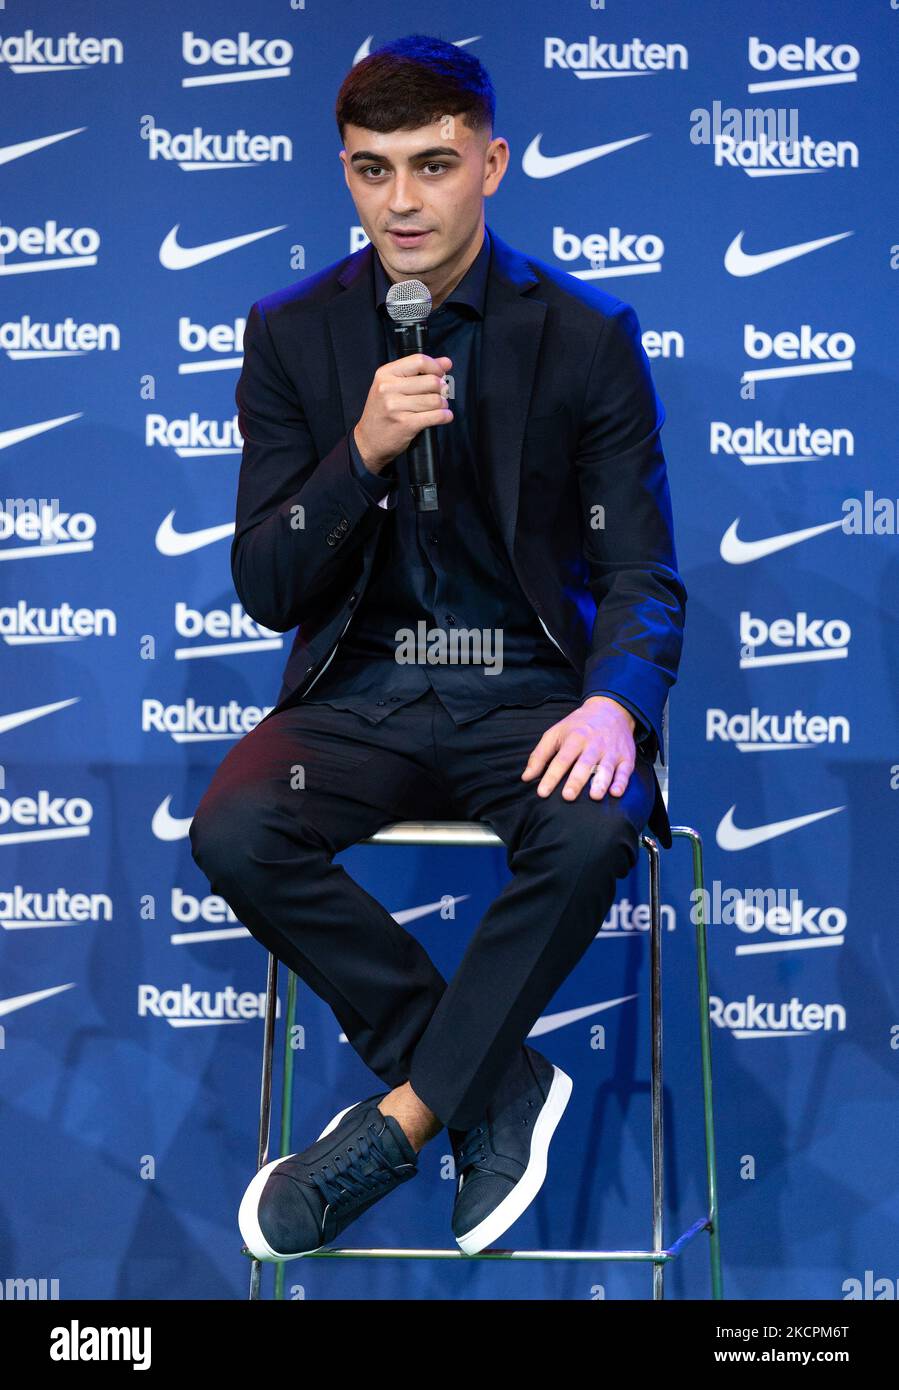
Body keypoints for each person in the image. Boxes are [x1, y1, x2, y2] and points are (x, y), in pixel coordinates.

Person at [189, 33, 686, 1264]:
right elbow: (265, 583)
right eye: (370, 171)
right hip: (357, 695)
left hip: (523, 693)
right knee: (237, 824)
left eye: (432, 165)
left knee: (591, 822)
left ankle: (408, 1114)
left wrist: (614, 705)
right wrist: (355, 453)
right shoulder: (292, 333)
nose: (401, 203)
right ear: (345, 176)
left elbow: (637, 573)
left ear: (492, 163)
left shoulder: (580, 334)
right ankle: (489, 1082)